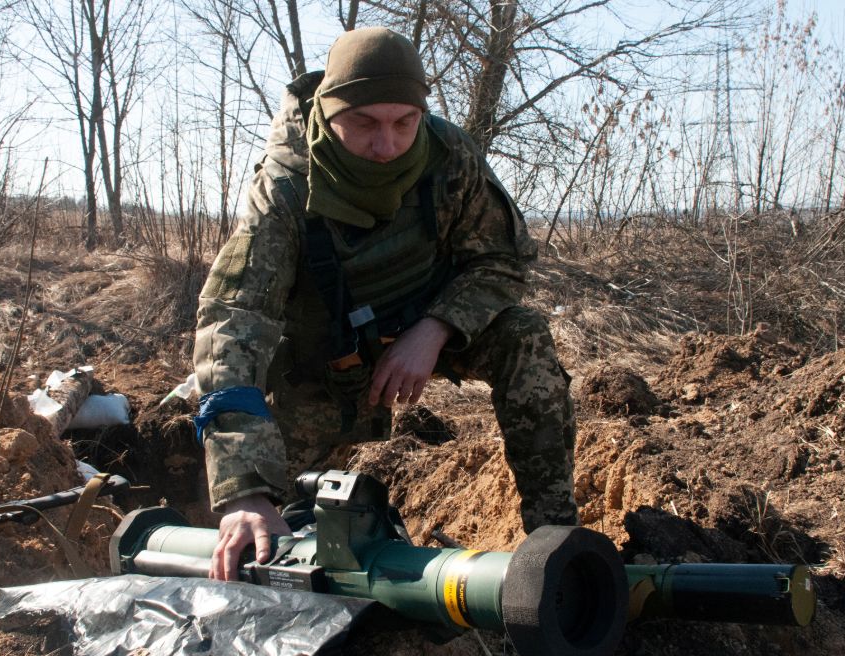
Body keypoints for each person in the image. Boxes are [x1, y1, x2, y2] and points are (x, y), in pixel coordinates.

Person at [192, 27, 578, 581]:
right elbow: (233, 320)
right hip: (324, 359)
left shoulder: (449, 157)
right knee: (274, 527)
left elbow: (503, 260)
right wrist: (244, 491)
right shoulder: (286, 188)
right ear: (327, 112)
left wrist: (437, 327)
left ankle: (556, 536)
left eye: (405, 122)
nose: (387, 145)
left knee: (525, 335)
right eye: (365, 123)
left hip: (426, 324)